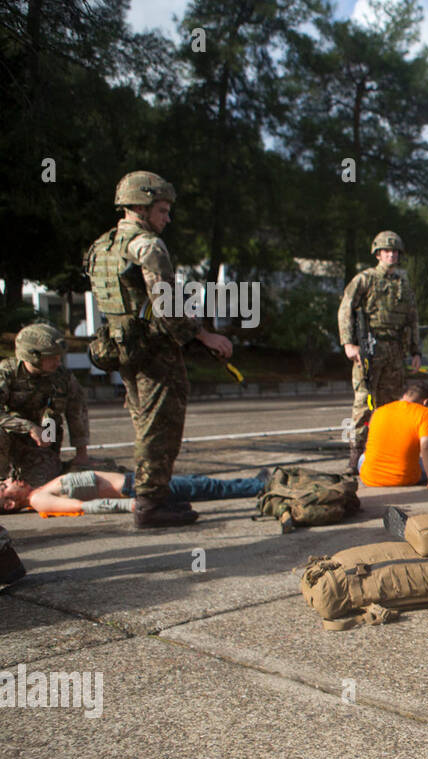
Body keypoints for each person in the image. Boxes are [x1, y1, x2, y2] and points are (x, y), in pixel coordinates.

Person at [83, 171, 233, 529]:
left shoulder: (103, 246)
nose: (167, 218)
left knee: (144, 422)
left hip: (124, 347)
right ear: (140, 206)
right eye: (162, 210)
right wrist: (204, 336)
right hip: (153, 350)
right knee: (161, 427)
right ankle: (150, 505)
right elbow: (165, 304)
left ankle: (156, 496)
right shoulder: (148, 246)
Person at [337, 230, 422, 474]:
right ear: (377, 253)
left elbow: (412, 319)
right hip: (369, 349)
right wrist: (348, 343)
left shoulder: (403, 284)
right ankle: (355, 458)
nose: (391, 255)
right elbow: (345, 309)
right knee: (365, 402)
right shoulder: (365, 279)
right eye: (386, 251)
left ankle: (387, 453)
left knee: (392, 405)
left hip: (395, 350)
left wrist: (416, 351)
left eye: (395, 251)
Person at [1, 323, 90, 486]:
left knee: (38, 485)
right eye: (52, 358)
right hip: (8, 443)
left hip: (41, 447)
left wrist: (81, 454)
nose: (58, 362)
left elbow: (77, 412)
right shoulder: (6, 373)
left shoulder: (63, 377)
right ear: (32, 356)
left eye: (59, 357)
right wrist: (28, 427)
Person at [1, 468, 268, 516]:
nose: (10, 479)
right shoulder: (39, 499)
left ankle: (252, 484)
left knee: (197, 483)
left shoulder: (39, 490)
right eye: (4, 486)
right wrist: (131, 506)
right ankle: (258, 486)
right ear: (11, 503)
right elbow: (82, 507)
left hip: (133, 481)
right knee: (202, 487)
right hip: (133, 489)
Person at [357, 382, 428, 490]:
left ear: (405, 395)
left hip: (369, 477)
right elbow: (427, 446)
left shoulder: (378, 411)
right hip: (403, 478)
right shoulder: (424, 412)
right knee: (423, 462)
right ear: (425, 402)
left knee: (363, 457)